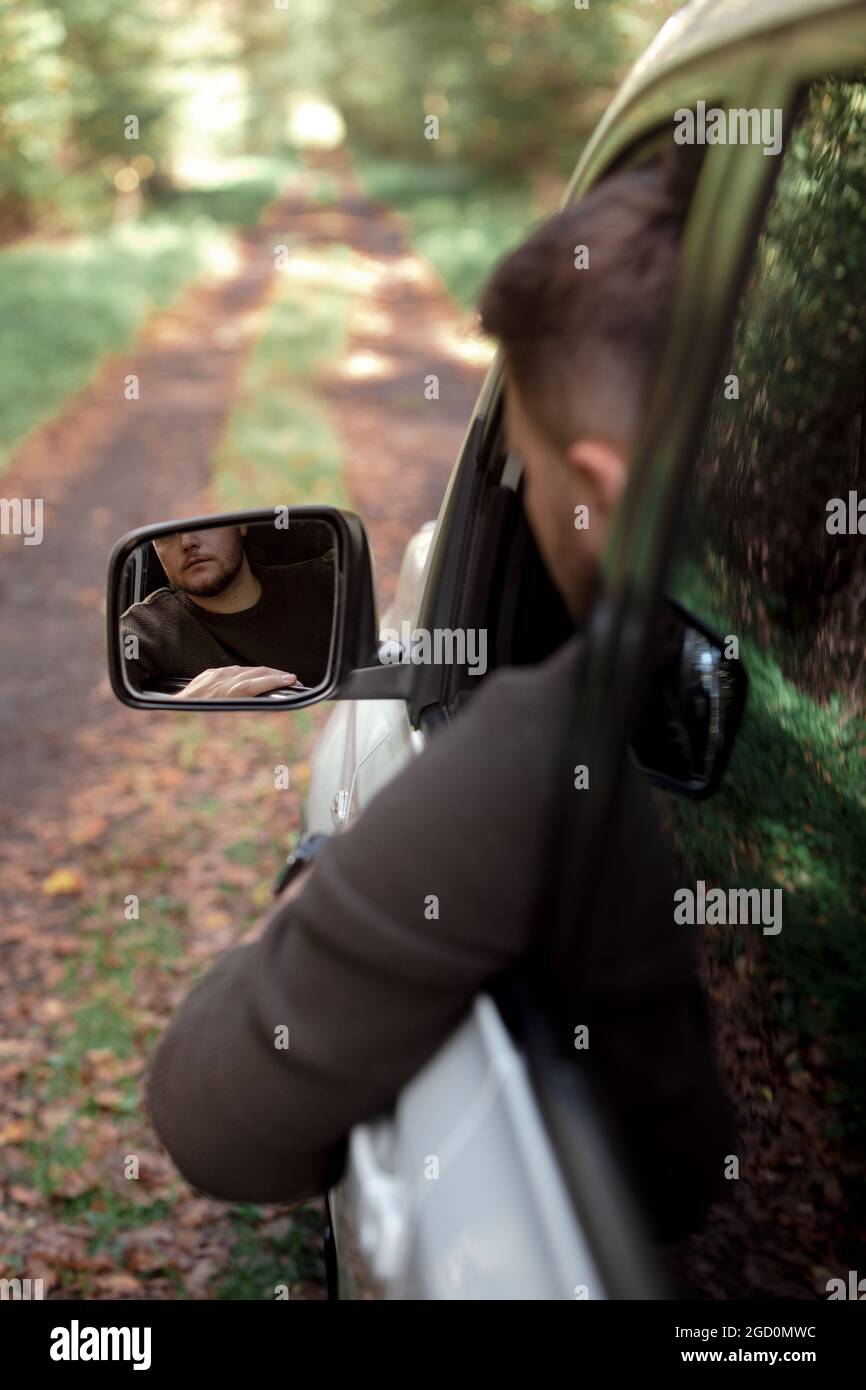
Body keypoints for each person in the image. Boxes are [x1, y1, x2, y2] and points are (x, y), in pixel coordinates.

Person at [146, 166, 733, 1247]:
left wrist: (315, 878)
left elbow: (207, 1117)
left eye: (521, 460)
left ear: (597, 488)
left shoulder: (537, 756)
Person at [121, 524, 335, 698]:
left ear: (241, 524)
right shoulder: (143, 630)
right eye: (165, 534)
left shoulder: (326, 584)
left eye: (204, 522)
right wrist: (186, 704)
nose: (187, 542)